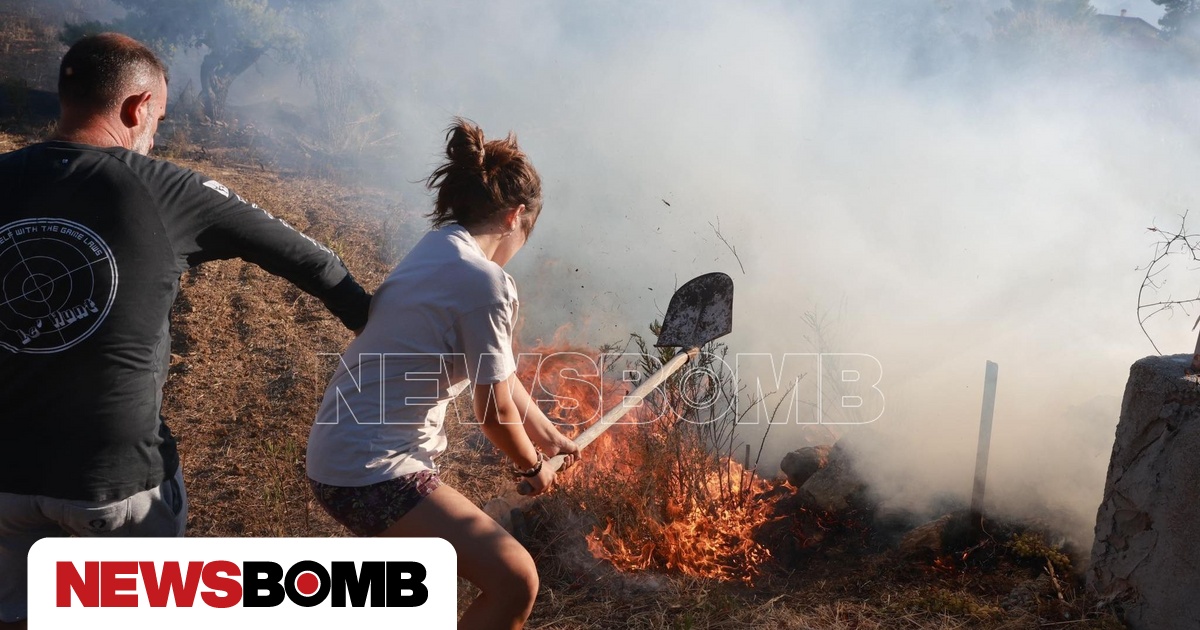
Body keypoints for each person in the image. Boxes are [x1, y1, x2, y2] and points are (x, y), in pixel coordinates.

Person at [0, 33, 372, 627]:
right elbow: (312, 261)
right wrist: (380, 330)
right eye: (160, 118)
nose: (156, 136)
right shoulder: (164, 188)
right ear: (135, 107)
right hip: (116, 487)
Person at [306, 118, 579, 630]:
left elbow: (501, 375)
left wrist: (550, 436)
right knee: (514, 577)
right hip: (370, 470)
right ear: (516, 216)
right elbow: (493, 414)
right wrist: (530, 467)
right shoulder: (486, 282)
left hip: (340, 454)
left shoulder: (439, 249)